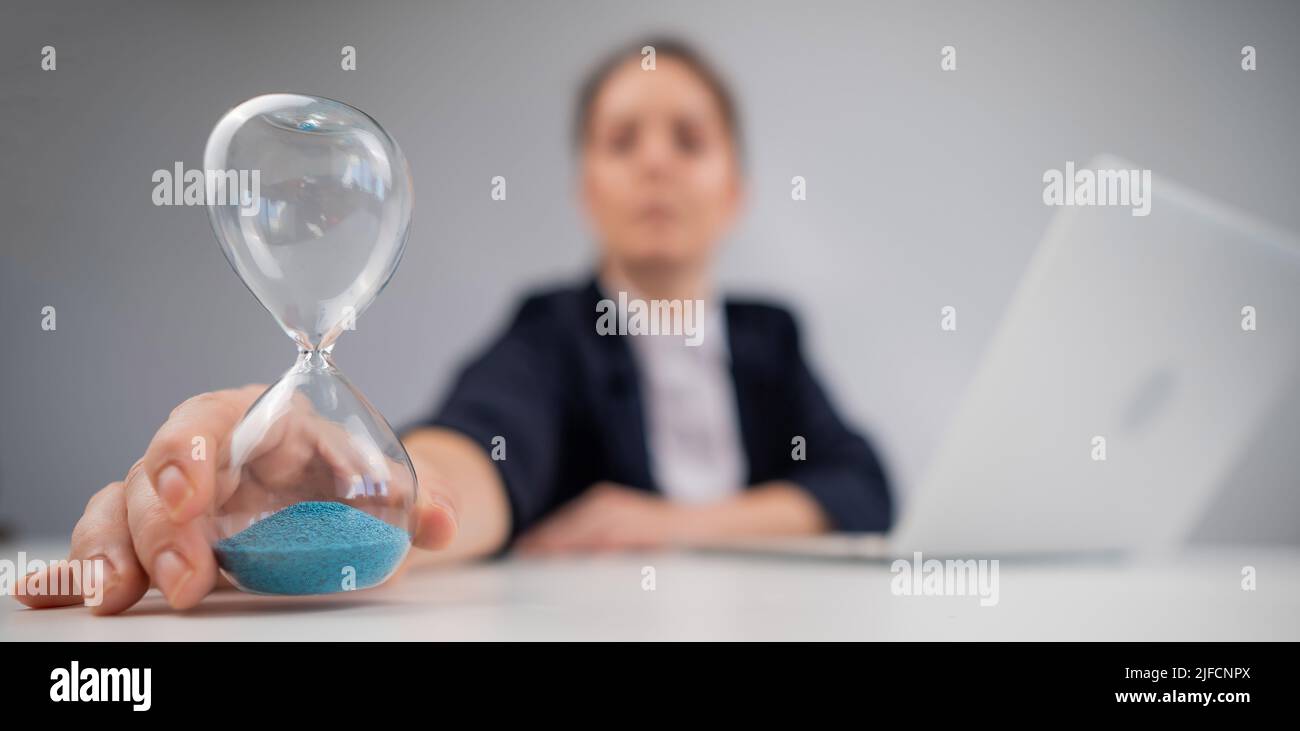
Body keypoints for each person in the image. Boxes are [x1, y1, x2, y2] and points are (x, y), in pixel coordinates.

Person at [19, 38, 891, 615]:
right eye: (623, 139)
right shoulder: (552, 333)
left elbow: (863, 483)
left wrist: (665, 521)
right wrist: (351, 468)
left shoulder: (771, 337)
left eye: (688, 139)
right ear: (587, 186)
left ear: (734, 187)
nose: (656, 160)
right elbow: (479, 447)